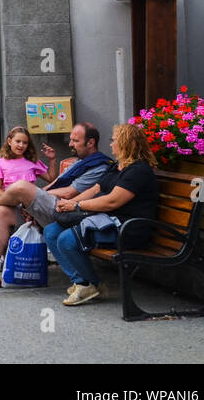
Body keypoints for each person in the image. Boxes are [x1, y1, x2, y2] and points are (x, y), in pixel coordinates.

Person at [0, 122, 112, 291]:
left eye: (75, 141)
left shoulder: (99, 166)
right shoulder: (80, 162)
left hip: (66, 210)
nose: (70, 144)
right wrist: (32, 199)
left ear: (90, 143)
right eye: (70, 140)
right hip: (52, 204)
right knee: (3, 212)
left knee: (21, 186)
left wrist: (33, 194)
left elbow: (69, 193)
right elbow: (53, 184)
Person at [46, 123, 157, 306]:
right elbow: (95, 189)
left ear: (125, 143)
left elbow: (112, 201)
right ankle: (83, 282)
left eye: (114, 140)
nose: (111, 144)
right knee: (51, 231)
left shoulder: (138, 171)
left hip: (127, 228)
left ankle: (88, 284)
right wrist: (70, 204)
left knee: (66, 239)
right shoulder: (117, 167)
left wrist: (77, 205)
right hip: (106, 221)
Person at [0, 126, 47, 195]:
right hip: (9, 202)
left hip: (29, 202)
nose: (21, 145)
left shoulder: (32, 160)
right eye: (18, 141)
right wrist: (10, 200)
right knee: (0, 206)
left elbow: (51, 178)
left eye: (25, 143)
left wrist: (52, 159)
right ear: (9, 141)